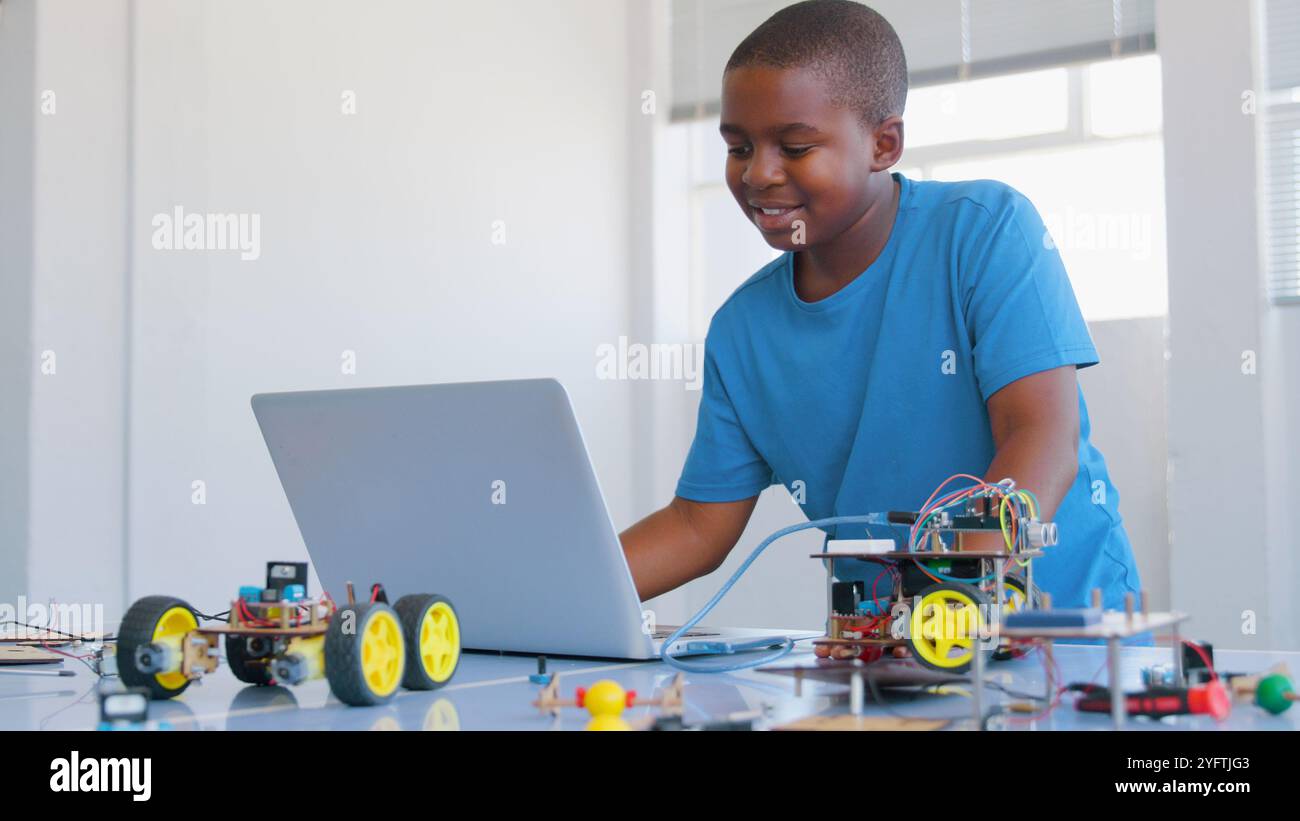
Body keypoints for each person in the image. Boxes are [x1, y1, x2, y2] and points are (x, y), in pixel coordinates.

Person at [619, 0, 1141, 616]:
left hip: (1061, 621)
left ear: (884, 143)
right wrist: (545, 594)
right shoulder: (741, 330)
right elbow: (695, 526)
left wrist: (955, 597)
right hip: (884, 644)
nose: (758, 174)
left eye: (794, 146)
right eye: (738, 148)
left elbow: (1039, 437)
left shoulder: (985, 232)